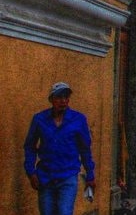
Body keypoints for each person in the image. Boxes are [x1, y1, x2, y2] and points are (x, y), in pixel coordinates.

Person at [23, 81, 97, 215]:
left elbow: (85, 149)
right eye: (59, 97)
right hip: (45, 177)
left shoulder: (78, 119)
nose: (63, 101)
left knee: (64, 212)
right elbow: (30, 146)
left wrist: (90, 175)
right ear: (51, 99)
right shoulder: (39, 119)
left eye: (66, 97)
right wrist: (31, 172)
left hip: (67, 176)